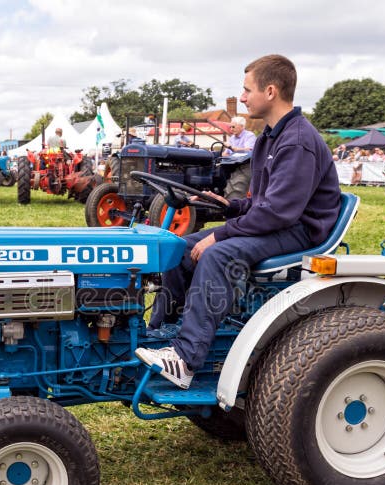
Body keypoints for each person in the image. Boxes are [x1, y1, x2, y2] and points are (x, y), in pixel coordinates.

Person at [135, 54, 342, 389]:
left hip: (300, 231)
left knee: (216, 254)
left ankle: (186, 360)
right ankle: (162, 332)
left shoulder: (298, 141)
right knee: (176, 247)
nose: (242, 98)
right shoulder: (270, 138)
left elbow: (279, 212)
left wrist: (220, 236)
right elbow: (260, 203)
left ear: (271, 91)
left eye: (247, 90)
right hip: (277, 223)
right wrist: (228, 206)